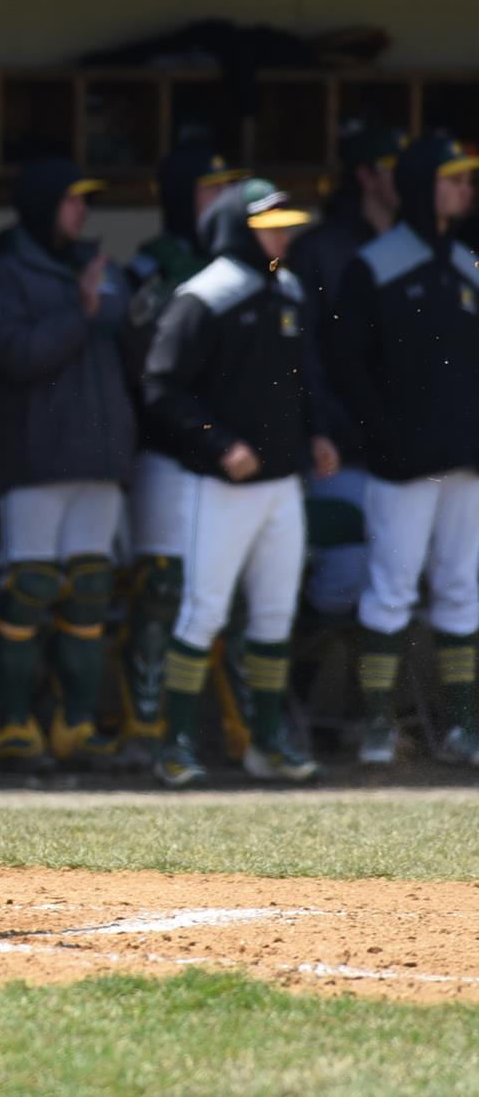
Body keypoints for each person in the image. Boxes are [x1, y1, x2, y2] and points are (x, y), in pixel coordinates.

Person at [142, 180, 336, 786]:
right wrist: (220, 441)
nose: (282, 235)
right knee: (203, 614)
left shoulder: (290, 289)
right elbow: (161, 386)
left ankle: (267, 743)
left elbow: (305, 380)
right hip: (219, 487)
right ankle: (173, 746)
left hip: (282, 485)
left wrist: (319, 433)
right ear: (236, 228)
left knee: (276, 616)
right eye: (268, 224)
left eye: (286, 223)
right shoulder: (205, 296)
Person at [330, 133, 479, 768]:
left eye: (468, 181)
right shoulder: (375, 263)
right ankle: (376, 728)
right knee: (389, 590)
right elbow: (345, 361)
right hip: (401, 465)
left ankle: (462, 728)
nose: (463, 190)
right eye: (451, 179)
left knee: (462, 590)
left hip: (467, 461)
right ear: (421, 183)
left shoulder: (471, 262)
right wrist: (380, 433)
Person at [0, 159, 135, 768]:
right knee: (30, 589)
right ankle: (11, 725)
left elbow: (130, 328)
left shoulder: (99, 266)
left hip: (101, 456)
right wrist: (81, 310)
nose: (82, 212)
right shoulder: (8, 274)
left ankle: (75, 723)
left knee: (90, 590)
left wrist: (102, 302)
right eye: (72, 200)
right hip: (38, 456)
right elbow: (16, 354)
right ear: (44, 205)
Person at [116, 149, 246, 763]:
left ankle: (230, 725)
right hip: (167, 448)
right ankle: (149, 725)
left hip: (232, 456)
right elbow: (139, 359)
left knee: (231, 591)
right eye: (207, 187)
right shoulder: (154, 263)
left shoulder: (247, 265)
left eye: (228, 186)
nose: (220, 198)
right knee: (162, 587)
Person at [288, 121, 405, 762]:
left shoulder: (424, 248)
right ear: (366, 175)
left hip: (413, 458)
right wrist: (320, 428)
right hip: (344, 449)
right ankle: (295, 705)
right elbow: (306, 353)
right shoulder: (319, 250)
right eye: (391, 167)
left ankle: (384, 720)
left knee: (400, 586)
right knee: (341, 583)